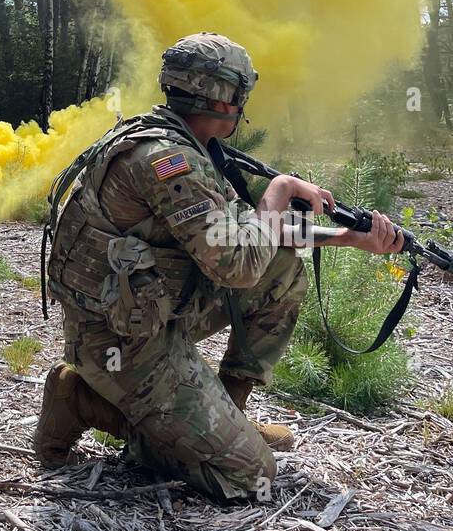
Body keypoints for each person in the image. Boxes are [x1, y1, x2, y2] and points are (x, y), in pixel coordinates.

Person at [34, 33, 404, 501]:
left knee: (284, 267)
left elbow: (250, 233)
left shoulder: (184, 143)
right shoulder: (167, 160)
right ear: (224, 97)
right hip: (120, 339)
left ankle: (227, 412)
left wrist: (349, 238)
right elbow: (240, 266)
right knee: (252, 477)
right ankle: (82, 399)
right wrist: (280, 189)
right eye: (239, 94)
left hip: (148, 311)